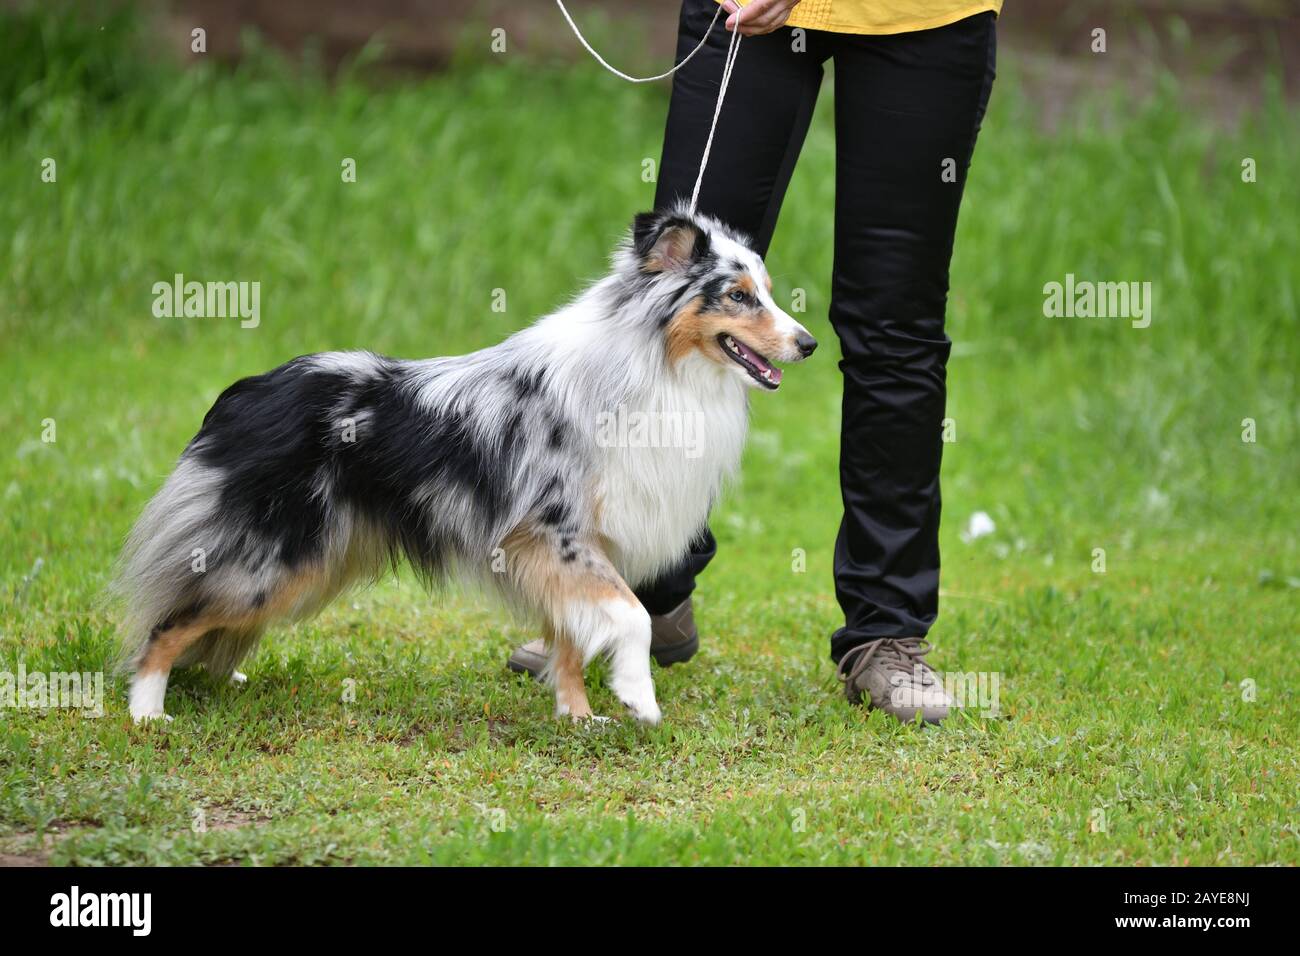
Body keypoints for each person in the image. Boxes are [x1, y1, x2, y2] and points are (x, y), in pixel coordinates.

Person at [512, 0, 1000, 725]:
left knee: (895, 326)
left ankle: (886, 633)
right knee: (675, 299)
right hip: (746, 12)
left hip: (924, 16)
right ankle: (650, 587)